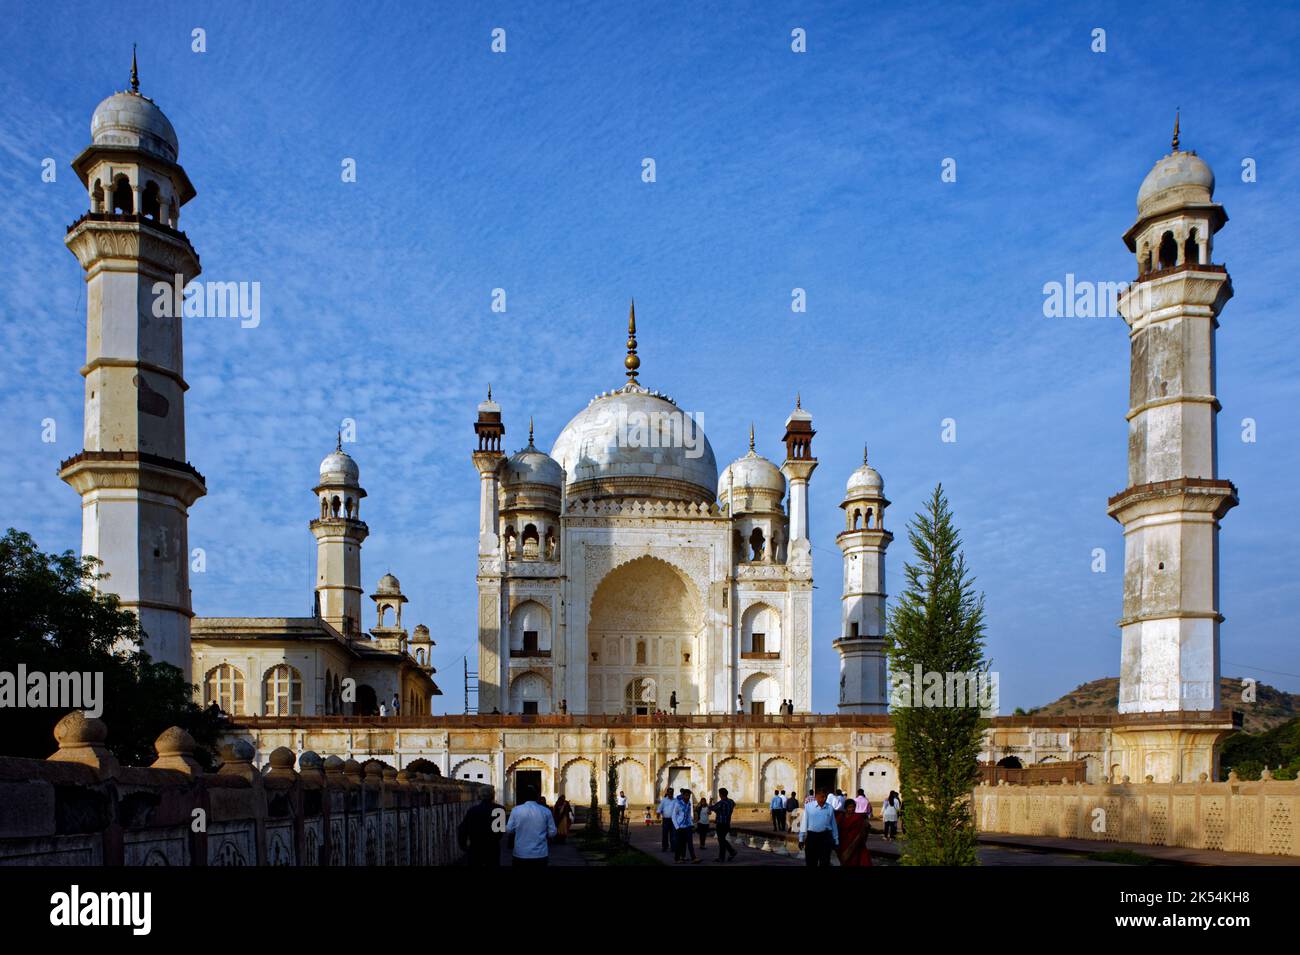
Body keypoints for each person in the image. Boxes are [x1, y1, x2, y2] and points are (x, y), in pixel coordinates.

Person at [506, 784, 557, 866]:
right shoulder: (546, 811)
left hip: (520, 853)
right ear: (537, 797)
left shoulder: (515, 810)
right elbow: (552, 833)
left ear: (523, 798)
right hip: (540, 854)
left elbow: (509, 830)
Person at [457, 787, 505, 866]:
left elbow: (462, 830)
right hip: (493, 848)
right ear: (493, 795)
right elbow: (501, 831)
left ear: (480, 796)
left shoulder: (472, 810)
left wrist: (463, 846)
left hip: (475, 848)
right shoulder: (500, 810)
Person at [797, 790, 839, 867]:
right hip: (812, 837)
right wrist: (801, 839)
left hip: (825, 837)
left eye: (825, 797)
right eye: (822, 797)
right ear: (816, 797)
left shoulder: (829, 808)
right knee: (811, 861)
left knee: (825, 861)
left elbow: (833, 825)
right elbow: (804, 823)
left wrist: (836, 840)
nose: (824, 799)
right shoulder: (809, 807)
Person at [835, 799, 872, 867]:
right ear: (845, 808)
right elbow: (836, 828)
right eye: (849, 807)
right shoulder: (840, 817)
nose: (851, 809)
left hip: (855, 844)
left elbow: (863, 830)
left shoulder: (858, 817)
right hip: (843, 842)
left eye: (853, 807)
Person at [709, 788, 739, 862]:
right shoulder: (731, 801)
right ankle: (725, 856)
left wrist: (710, 801)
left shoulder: (721, 803)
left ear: (720, 794)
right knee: (722, 840)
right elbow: (734, 804)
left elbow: (711, 808)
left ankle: (730, 852)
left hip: (721, 824)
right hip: (727, 823)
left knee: (721, 840)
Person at [671, 788, 700, 863]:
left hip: (688, 826)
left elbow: (689, 815)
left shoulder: (689, 803)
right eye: (686, 795)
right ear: (683, 795)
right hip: (680, 827)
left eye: (689, 796)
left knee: (690, 843)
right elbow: (673, 816)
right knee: (679, 844)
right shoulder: (678, 803)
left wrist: (692, 824)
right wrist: (677, 827)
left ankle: (694, 858)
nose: (688, 797)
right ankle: (677, 859)